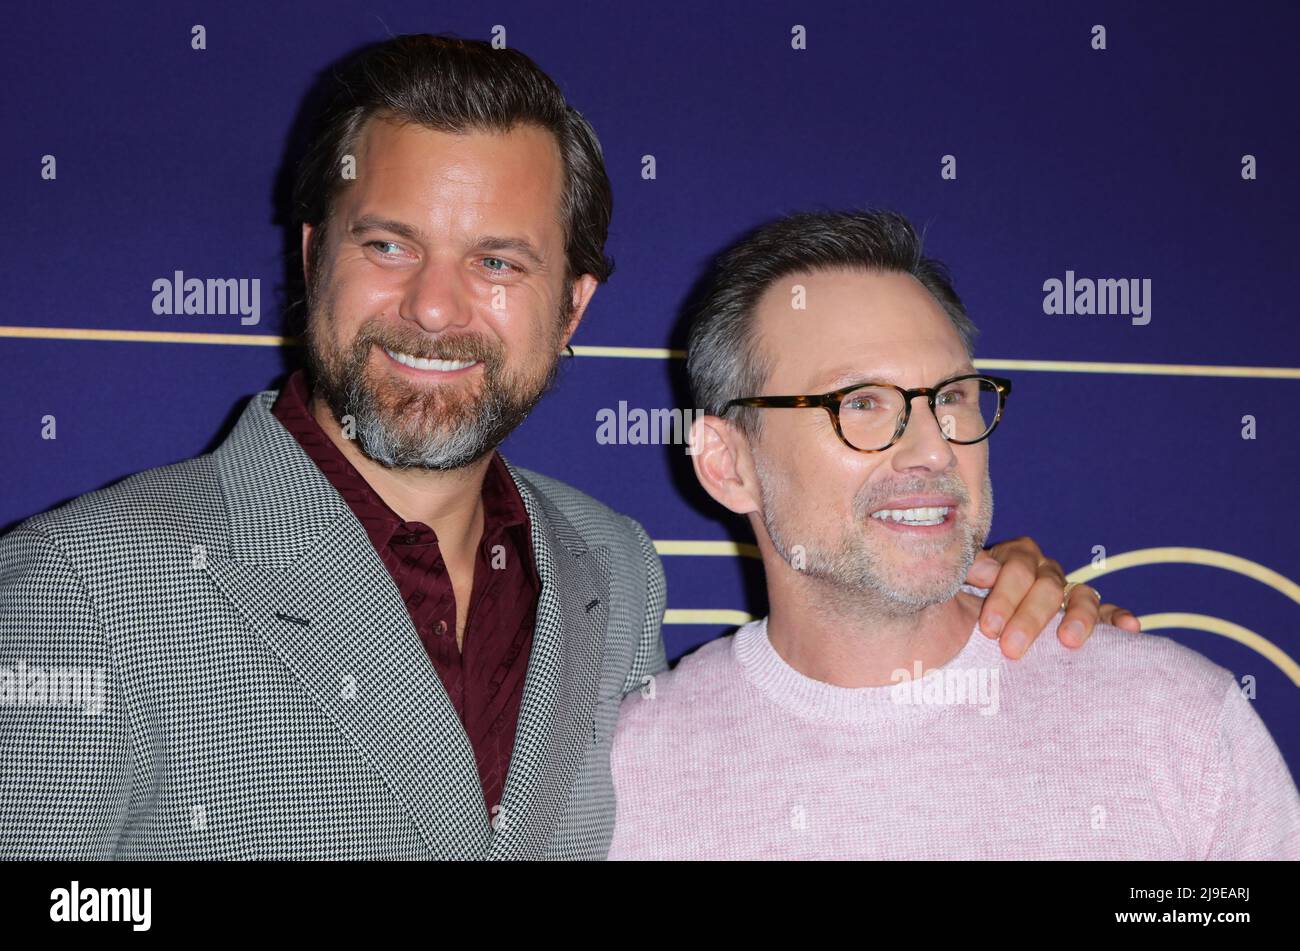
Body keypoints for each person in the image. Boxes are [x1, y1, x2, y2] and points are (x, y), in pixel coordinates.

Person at [0, 38, 1130, 861]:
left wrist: (959, 599)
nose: (436, 310)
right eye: (389, 245)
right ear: (313, 261)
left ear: (573, 307)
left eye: (498, 263)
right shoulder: (82, 589)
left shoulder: (611, 569)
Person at [608, 209, 1300, 860]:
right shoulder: (632, 771)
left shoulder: (1176, 724)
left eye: (951, 398)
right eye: (863, 404)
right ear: (728, 465)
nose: (933, 449)